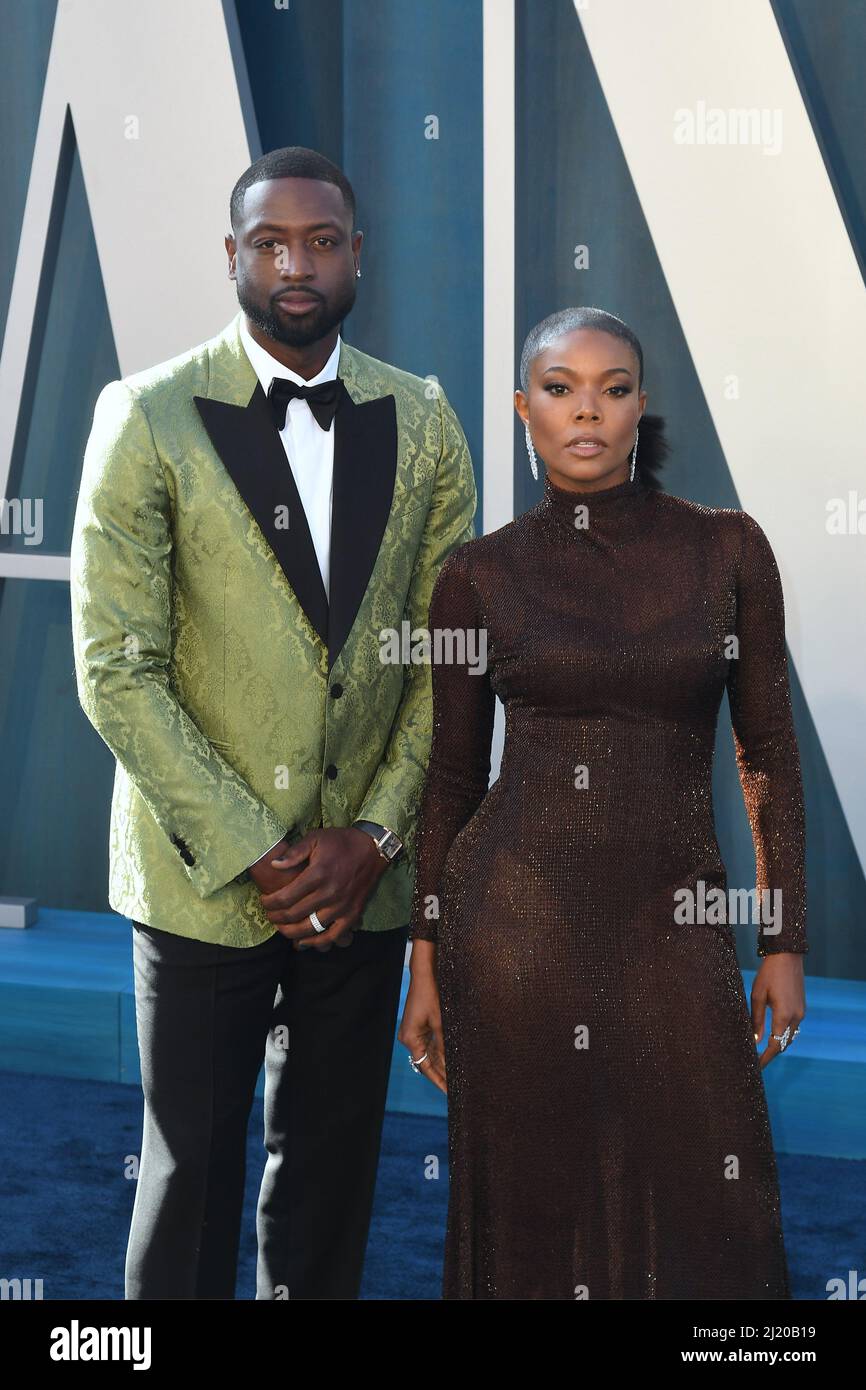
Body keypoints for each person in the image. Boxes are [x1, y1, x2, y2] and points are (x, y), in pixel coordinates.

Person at [69, 146, 476, 1300]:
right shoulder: (144, 416)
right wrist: (262, 847)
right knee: (188, 1171)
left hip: (364, 875)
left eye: (322, 240)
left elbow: (445, 657)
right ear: (232, 256)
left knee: (332, 1172)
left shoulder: (427, 421)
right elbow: (118, 669)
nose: (296, 264)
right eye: (269, 242)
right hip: (203, 875)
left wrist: (375, 838)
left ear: (359, 256)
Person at [399, 306, 807, 1301]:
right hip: (510, 928)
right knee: (534, 1198)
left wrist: (782, 940)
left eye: (611, 388)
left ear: (639, 408)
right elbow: (450, 777)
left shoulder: (730, 551)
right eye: (559, 388)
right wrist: (423, 959)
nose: (586, 411)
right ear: (521, 409)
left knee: (715, 1194)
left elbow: (766, 752)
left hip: (674, 920)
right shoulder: (476, 573)